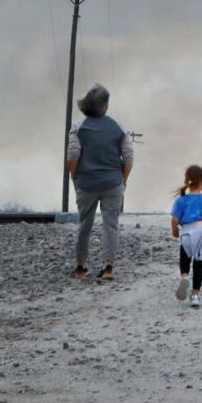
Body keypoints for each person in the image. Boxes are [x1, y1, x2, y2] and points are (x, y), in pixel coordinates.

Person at [65, 84, 133, 280]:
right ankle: (108, 267)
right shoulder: (118, 127)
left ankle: (80, 268)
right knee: (110, 225)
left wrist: (75, 177)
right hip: (113, 184)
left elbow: (73, 155)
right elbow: (128, 157)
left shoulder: (78, 127)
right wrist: (123, 180)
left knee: (84, 224)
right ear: (105, 105)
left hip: (86, 184)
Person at [170, 164, 202, 308]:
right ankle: (195, 295)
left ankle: (185, 276)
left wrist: (174, 229)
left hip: (187, 233)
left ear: (187, 181)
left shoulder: (181, 201)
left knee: (184, 260)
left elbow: (174, 219)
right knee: (199, 265)